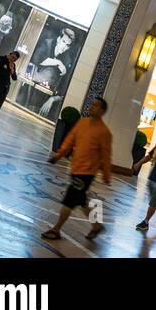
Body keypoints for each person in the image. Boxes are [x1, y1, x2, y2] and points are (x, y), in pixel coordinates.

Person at [41, 96, 113, 242]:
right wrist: (59, 155)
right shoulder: (82, 122)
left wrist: (106, 175)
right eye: (92, 104)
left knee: (69, 200)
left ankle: (56, 229)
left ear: (102, 111)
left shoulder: (104, 133)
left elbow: (106, 156)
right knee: (81, 201)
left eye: (96, 105)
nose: (92, 107)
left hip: (86, 173)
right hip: (75, 168)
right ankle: (96, 226)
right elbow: (70, 140)